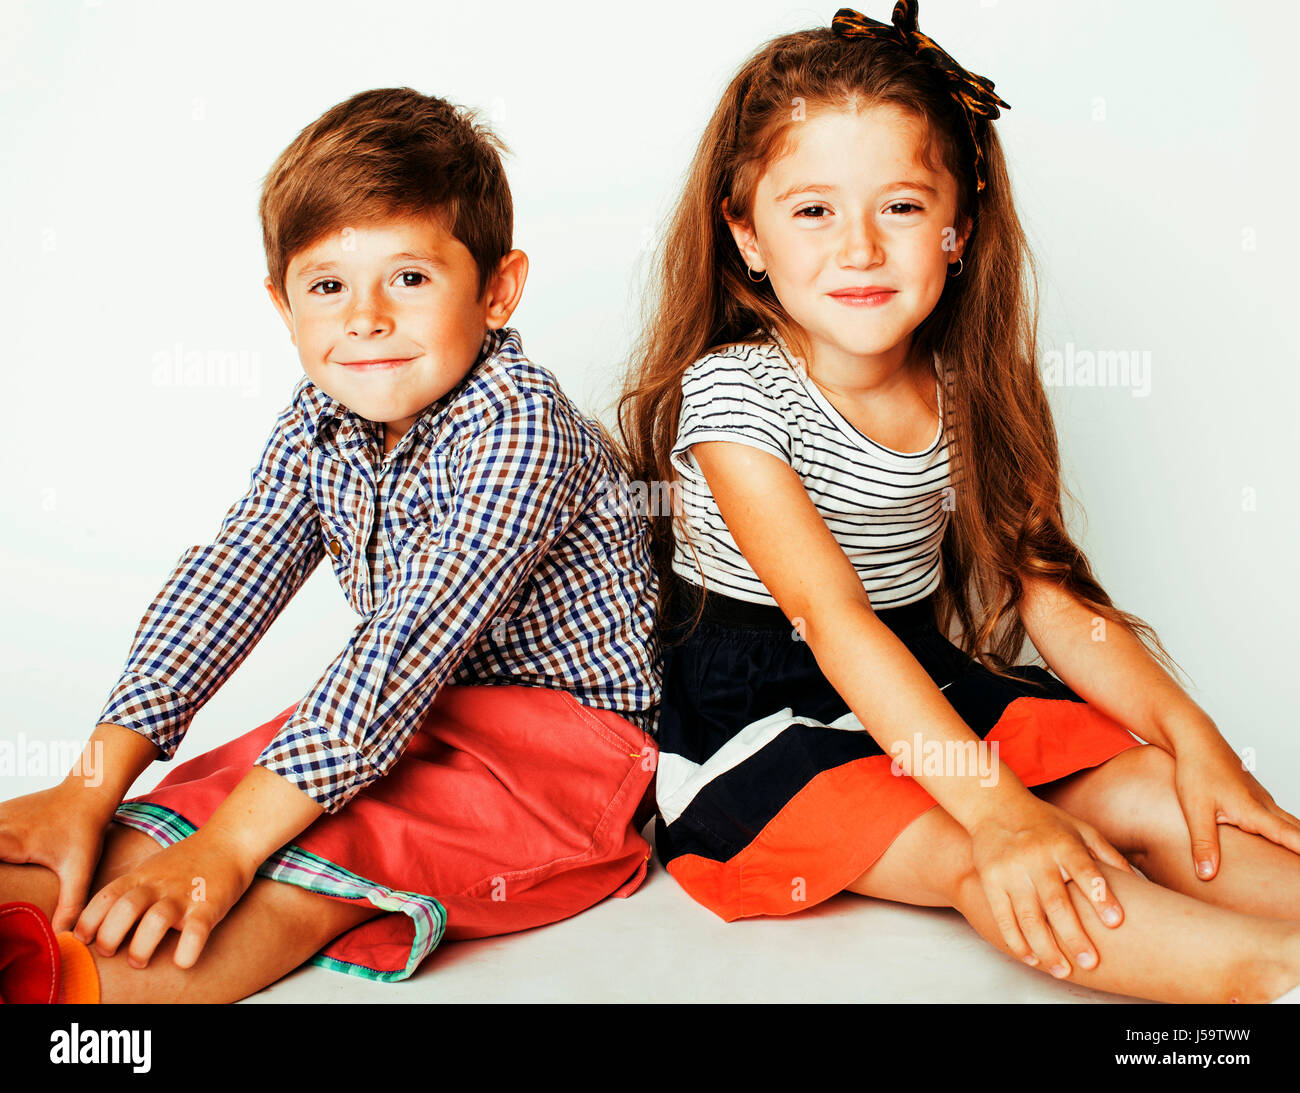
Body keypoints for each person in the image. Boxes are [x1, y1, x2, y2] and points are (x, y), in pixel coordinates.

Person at [616, 2, 1300, 1003]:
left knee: (1158, 791)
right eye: (812, 210)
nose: (856, 248)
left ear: (956, 231)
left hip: (920, 682)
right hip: (762, 715)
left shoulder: (966, 383)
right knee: (989, 852)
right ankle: (1268, 980)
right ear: (744, 232)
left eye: (897, 206)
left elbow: (1050, 597)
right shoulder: (735, 392)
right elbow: (832, 619)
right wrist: (998, 812)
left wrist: (1195, 745)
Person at [0, 86, 660, 1004]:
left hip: (564, 757)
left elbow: (401, 651)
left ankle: (72, 996)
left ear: (498, 289)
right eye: (328, 287)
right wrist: (88, 784)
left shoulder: (521, 427)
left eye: (412, 278)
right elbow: (225, 583)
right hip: (409, 718)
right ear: (284, 305)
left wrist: (230, 851)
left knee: (302, 856)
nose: (365, 319)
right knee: (170, 817)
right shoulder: (320, 416)